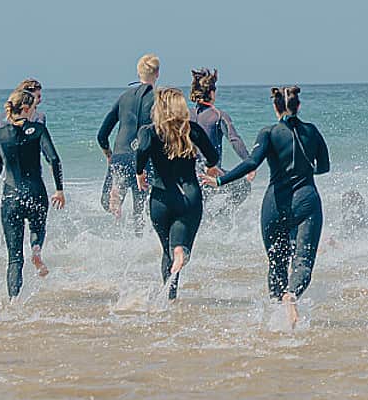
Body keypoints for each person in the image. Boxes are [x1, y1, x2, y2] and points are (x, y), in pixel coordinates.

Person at [202, 86, 329, 329]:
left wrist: (219, 181)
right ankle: (292, 296)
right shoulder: (312, 132)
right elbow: (323, 167)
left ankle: (275, 319)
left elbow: (251, 162)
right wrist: (304, 170)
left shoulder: (268, 133)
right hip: (306, 201)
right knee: (302, 262)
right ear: (298, 106)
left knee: (276, 263)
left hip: (274, 205)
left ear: (275, 107)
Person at [135, 87, 221, 301]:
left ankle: (170, 298)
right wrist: (211, 169)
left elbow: (141, 152)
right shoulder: (192, 130)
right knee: (180, 248)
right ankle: (182, 252)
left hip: (160, 199)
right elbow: (212, 156)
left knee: (167, 251)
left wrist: (139, 174)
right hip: (189, 197)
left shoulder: (149, 131)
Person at [0, 88, 65, 299]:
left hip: (11, 196)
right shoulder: (39, 130)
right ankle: (36, 248)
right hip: (36, 193)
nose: (35, 111)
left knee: (14, 259)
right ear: (25, 108)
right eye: (33, 107)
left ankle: (13, 303)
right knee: (37, 228)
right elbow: (54, 159)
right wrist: (59, 190)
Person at [97, 54, 159, 234]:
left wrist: (109, 155)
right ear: (157, 73)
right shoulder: (158, 98)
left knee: (106, 201)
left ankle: (116, 194)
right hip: (144, 159)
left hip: (120, 157)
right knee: (141, 211)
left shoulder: (123, 97)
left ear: (138, 72)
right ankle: (139, 245)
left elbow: (102, 135)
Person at [189, 68, 253, 213]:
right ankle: (222, 217)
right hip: (211, 175)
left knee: (199, 208)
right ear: (211, 93)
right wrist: (250, 162)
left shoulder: (185, 115)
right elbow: (234, 139)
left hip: (188, 176)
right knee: (243, 187)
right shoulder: (218, 115)